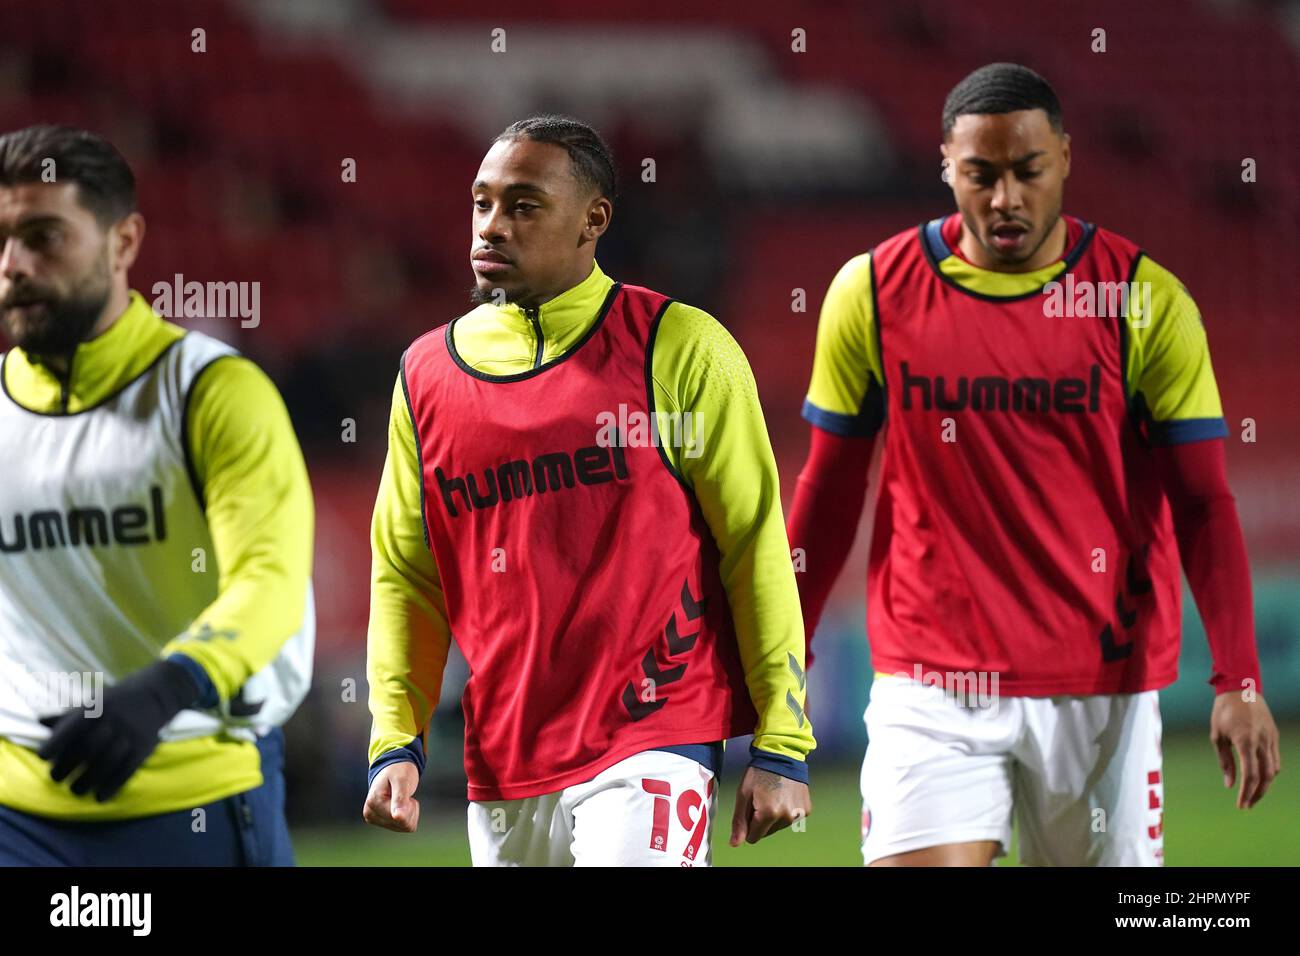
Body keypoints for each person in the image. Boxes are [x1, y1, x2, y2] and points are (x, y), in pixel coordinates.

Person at [787, 64, 1280, 867]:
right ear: (947, 164)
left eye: (1028, 171)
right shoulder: (873, 292)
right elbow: (832, 487)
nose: (1006, 198)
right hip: (931, 681)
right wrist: (785, 650)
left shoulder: (1142, 299)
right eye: (981, 174)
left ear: (1067, 159)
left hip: (1099, 687)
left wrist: (1239, 678)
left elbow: (1202, 503)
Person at [363, 115, 813, 866]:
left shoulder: (680, 346)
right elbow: (407, 573)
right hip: (506, 761)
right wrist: (394, 739)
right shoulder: (426, 377)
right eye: (481, 203)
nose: (491, 225)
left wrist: (783, 741)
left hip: (655, 738)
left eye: (524, 205)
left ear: (592, 220)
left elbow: (754, 545)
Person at [0, 124, 314, 866]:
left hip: (194, 794)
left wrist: (168, 687)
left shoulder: (210, 391)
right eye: (3, 240)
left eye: (44, 236)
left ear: (123, 242)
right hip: (17, 813)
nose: (12, 265)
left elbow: (268, 581)